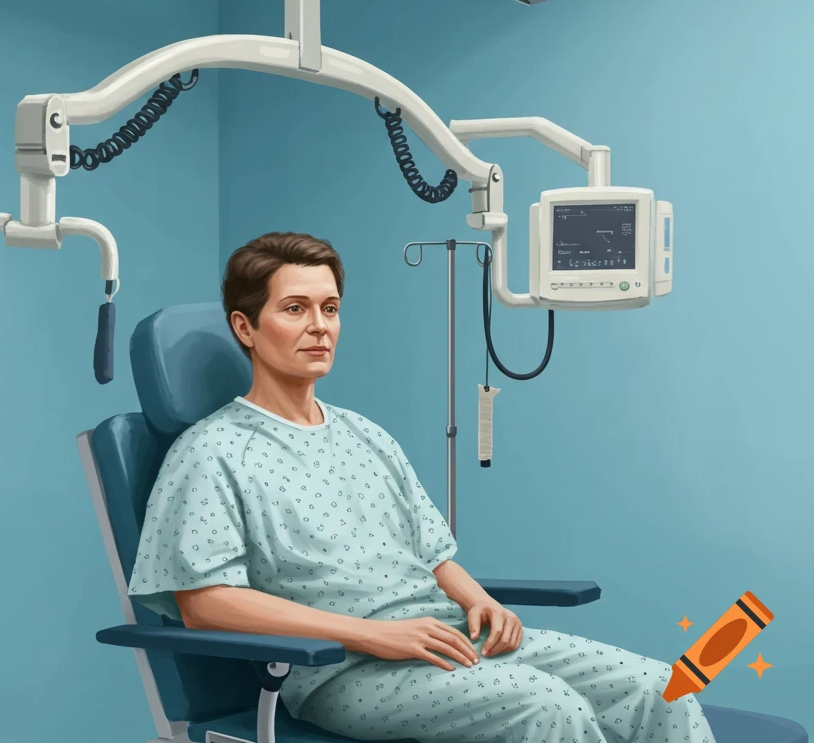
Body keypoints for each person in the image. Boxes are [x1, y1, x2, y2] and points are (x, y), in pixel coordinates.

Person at [128, 232, 715, 743]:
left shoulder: (365, 434)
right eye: (295, 308)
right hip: (343, 670)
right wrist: (374, 635)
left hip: (447, 637)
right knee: (548, 708)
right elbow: (204, 602)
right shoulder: (211, 452)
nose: (319, 327)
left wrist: (479, 599)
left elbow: (433, 553)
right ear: (245, 327)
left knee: (662, 686)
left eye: (330, 309)